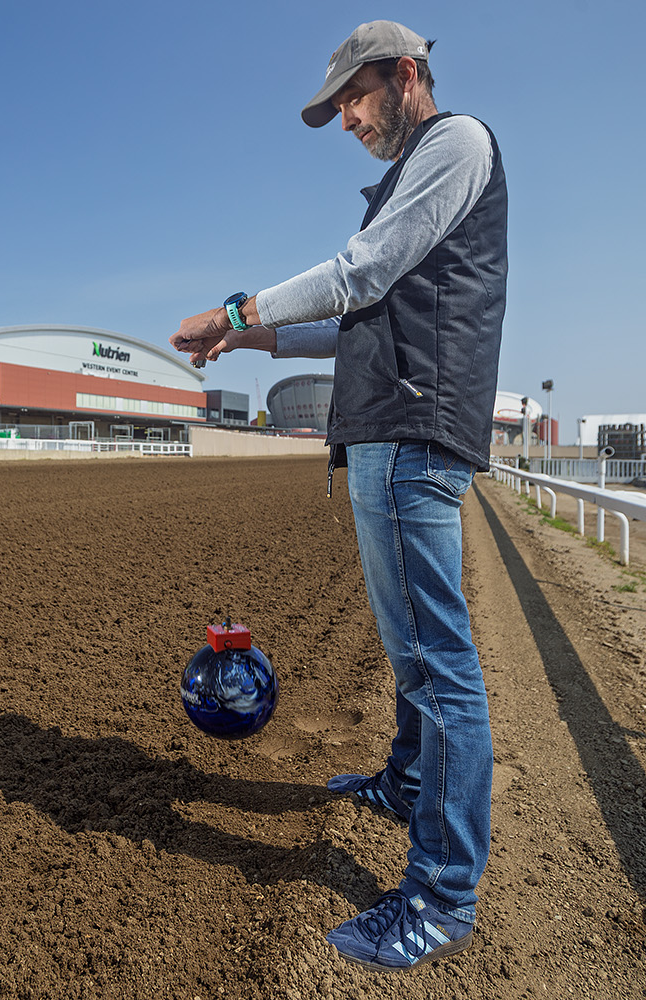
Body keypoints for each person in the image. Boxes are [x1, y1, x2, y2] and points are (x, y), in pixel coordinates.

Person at [169, 20, 506, 972]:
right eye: (340, 108)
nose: (349, 120)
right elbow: (360, 315)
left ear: (406, 75)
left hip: (409, 436)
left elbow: (357, 276)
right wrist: (252, 340)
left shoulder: (456, 145)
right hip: (382, 435)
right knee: (411, 651)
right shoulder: (404, 182)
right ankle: (405, 784)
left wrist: (238, 311)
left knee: (438, 667)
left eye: (354, 99)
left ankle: (440, 900)